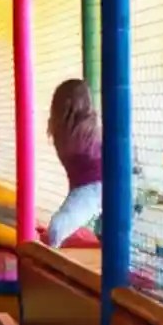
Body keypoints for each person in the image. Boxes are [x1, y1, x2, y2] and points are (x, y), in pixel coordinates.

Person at [47, 78, 103, 247]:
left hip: (94, 189)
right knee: (57, 229)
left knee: (56, 229)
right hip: (89, 189)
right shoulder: (69, 130)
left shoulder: (85, 129)